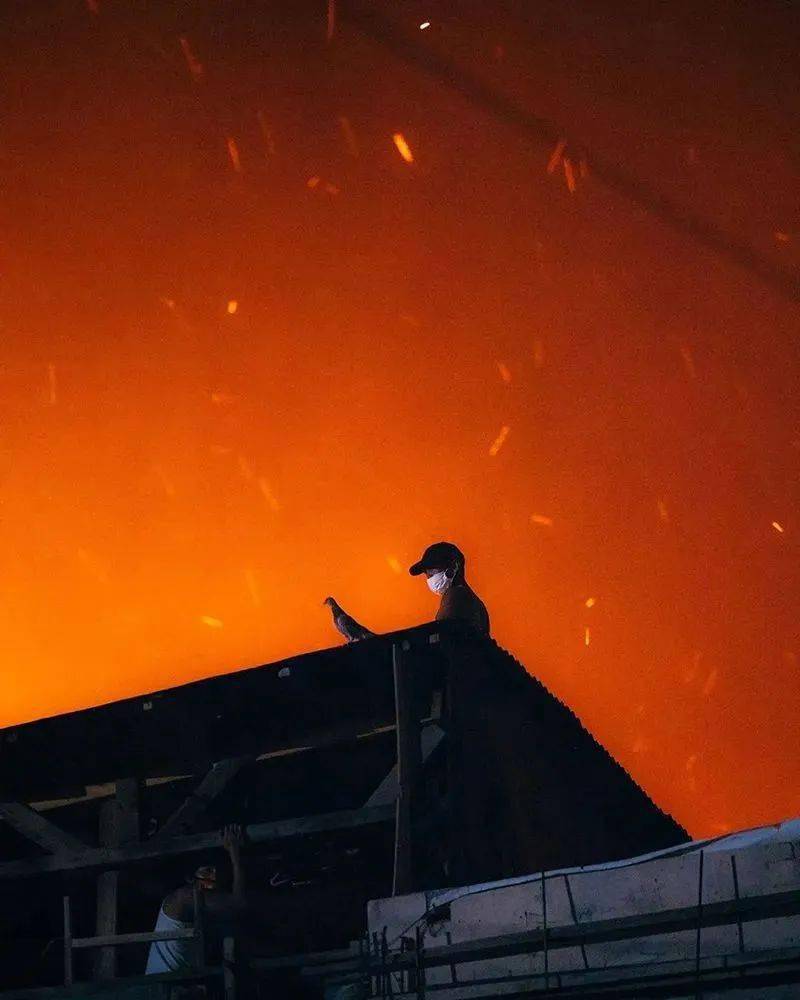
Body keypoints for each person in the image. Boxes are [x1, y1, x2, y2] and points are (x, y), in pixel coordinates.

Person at [145, 824, 247, 976]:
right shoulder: (183, 898)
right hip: (162, 988)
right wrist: (235, 854)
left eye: (215, 872)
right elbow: (239, 903)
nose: (213, 878)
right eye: (207, 872)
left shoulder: (200, 906)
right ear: (190, 878)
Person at [409, 541, 490, 635]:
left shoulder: (457, 596)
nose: (429, 577)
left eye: (433, 571)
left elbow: (445, 640)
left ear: (454, 566)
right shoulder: (471, 599)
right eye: (427, 574)